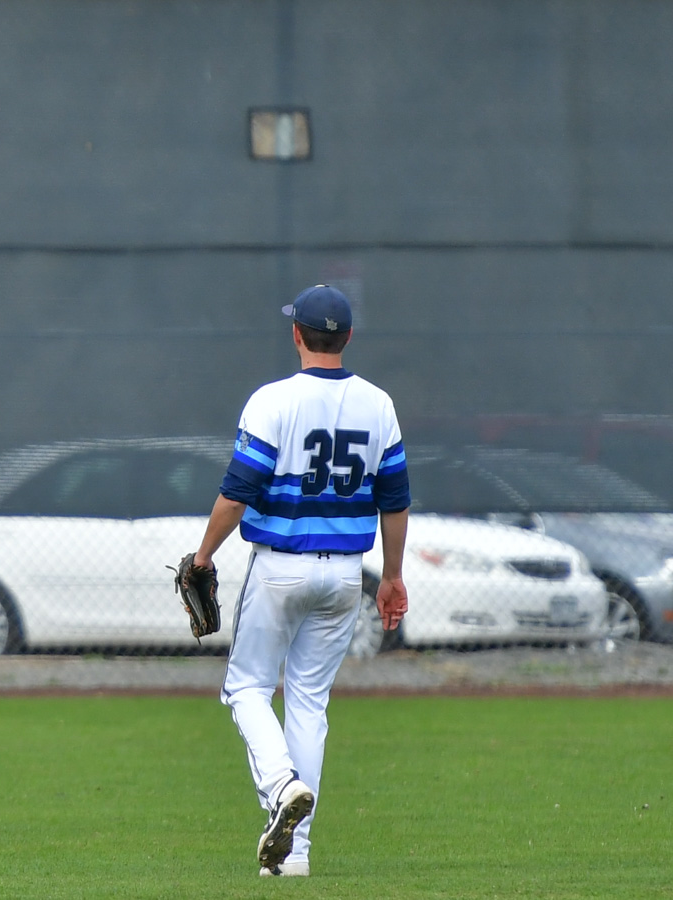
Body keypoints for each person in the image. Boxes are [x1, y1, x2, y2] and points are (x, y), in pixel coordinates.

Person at [190, 284, 410, 876]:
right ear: (348, 337)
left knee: (247, 688)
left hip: (280, 567)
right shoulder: (379, 405)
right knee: (309, 702)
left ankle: (281, 786)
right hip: (345, 576)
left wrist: (204, 555)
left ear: (296, 335)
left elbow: (237, 494)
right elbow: (394, 501)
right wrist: (392, 576)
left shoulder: (272, 401)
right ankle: (296, 856)